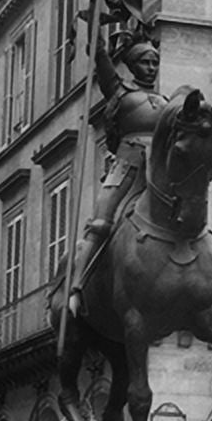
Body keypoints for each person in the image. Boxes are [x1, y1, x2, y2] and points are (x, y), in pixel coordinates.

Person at [67, 24, 170, 317]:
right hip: (126, 166)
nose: (150, 68)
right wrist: (95, 20)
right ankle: (76, 288)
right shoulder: (119, 90)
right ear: (131, 65)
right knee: (101, 223)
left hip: (158, 168)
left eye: (154, 62)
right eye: (144, 62)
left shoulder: (165, 101)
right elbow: (100, 58)